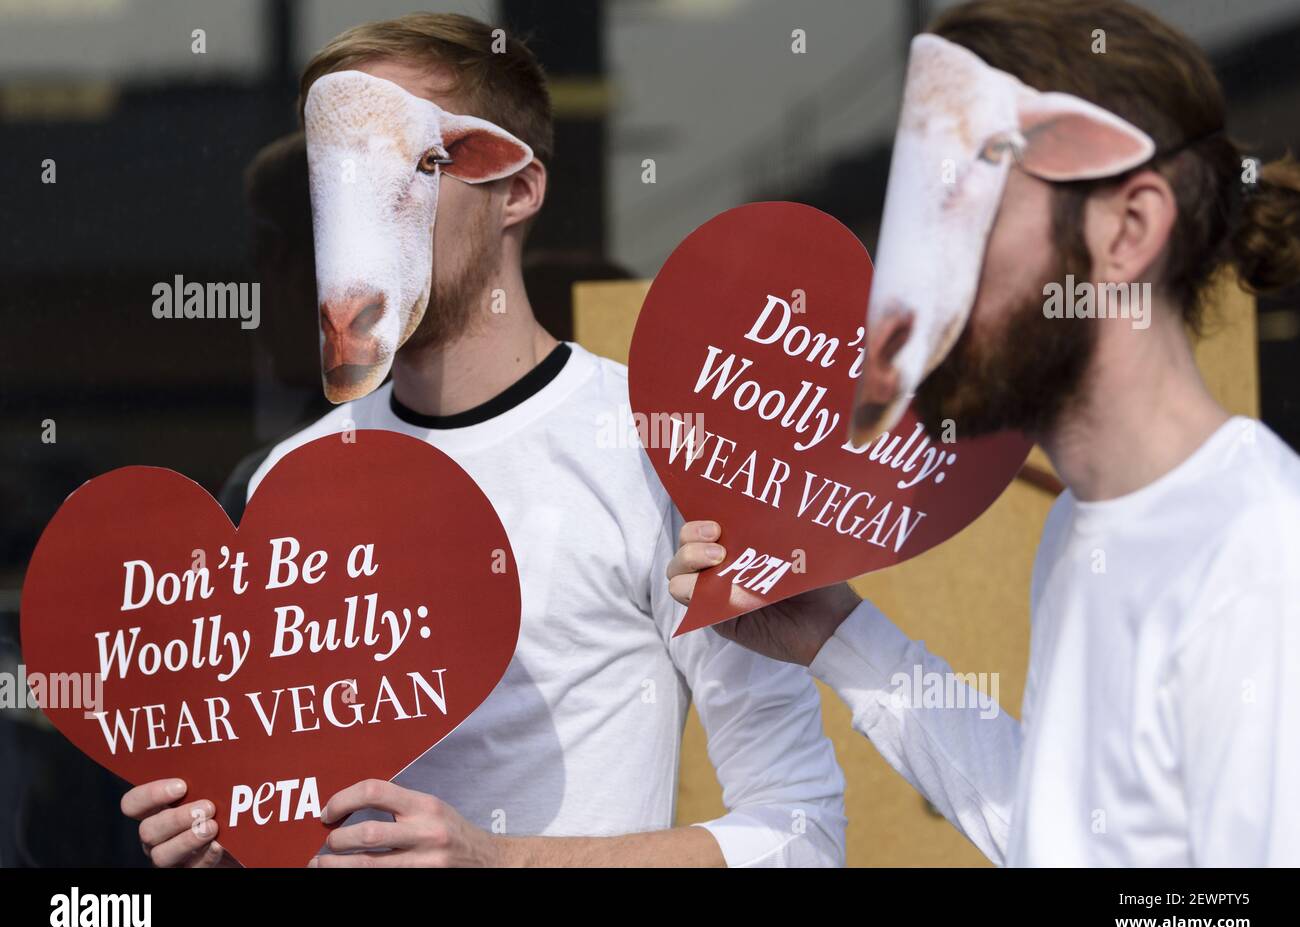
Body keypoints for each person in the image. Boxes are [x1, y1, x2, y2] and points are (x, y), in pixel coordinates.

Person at [122, 13, 846, 868]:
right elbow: (283, 811)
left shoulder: (657, 453)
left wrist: (498, 858)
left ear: (516, 186)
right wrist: (223, 849)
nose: (354, 212)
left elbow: (802, 831)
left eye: (405, 166)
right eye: (333, 175)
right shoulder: (293, 476)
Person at [669, 0, 1300, 866]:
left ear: (1129, 229)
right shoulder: (1092, 524)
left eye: (968, 207)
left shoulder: (1259, 556)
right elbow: (1063, 838)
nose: (912, 284)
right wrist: (837, 634)